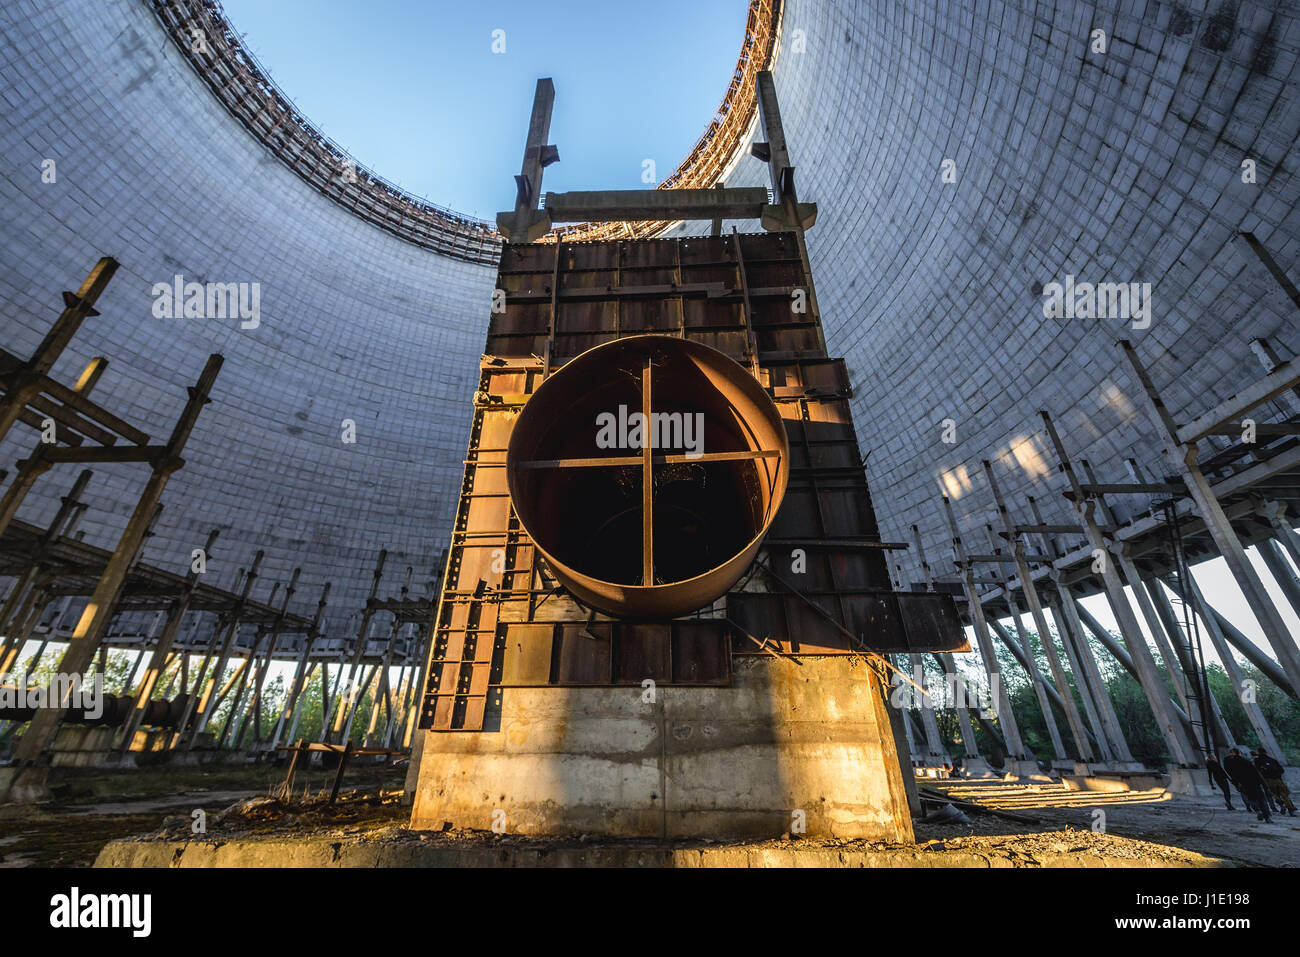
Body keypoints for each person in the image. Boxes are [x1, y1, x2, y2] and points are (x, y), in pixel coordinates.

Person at [1224, 748, 1272, 822]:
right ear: (1239, 753)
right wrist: (1263, 783)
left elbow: (1232, 775)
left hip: (1243, 783)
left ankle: (1258, 810)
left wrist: (1236, 784)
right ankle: (1267, 816)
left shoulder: (1230, 764)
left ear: (1232, 753)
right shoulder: (1246, 761)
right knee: (1261, 799)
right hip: (1254, 782)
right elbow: (1255, 772)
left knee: (1251, 798)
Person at [1253, 748, 1296, 817]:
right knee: (1285, 795)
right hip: (1278, 779)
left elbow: (1257, 771)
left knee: (1274, 794)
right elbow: (1281, 770)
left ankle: (1281, 805)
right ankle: (1290, 810)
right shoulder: (1272, 760)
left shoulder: (1257, 760)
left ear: (1258, 752)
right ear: (1266, 752)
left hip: (1268, 780)